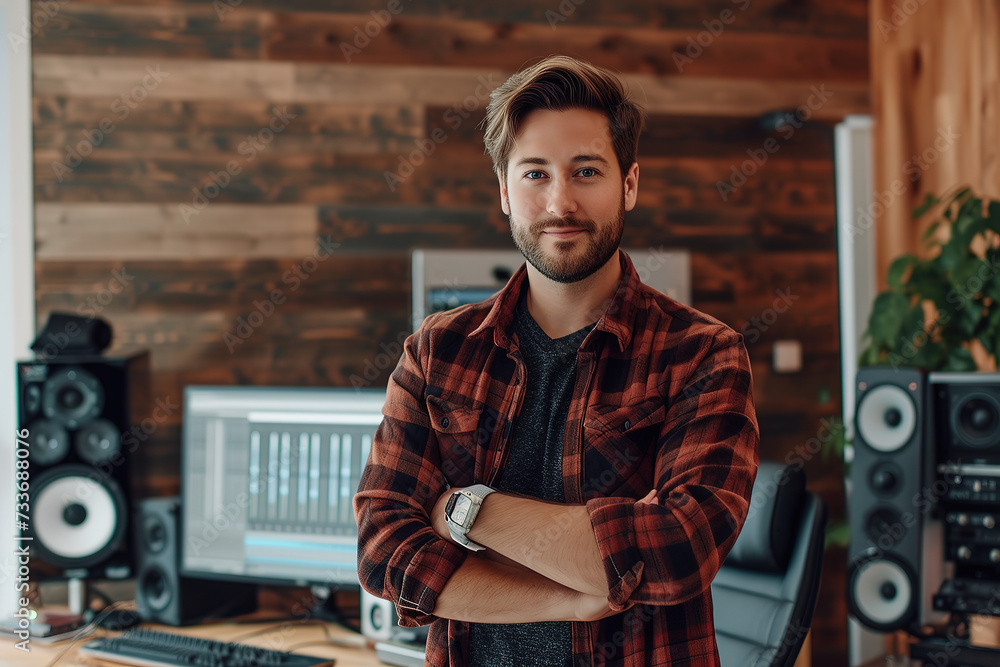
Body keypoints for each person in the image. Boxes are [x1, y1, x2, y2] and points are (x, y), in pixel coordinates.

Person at [354, 55, 759, 667]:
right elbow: (383, 549)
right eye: (535, 173)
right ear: (504, 192)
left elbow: (679, 548)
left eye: (587, 170)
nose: (560, 202)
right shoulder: (436, 352)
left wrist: (462, 510)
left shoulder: (702, 353)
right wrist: (565, 598)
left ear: (629, 184)